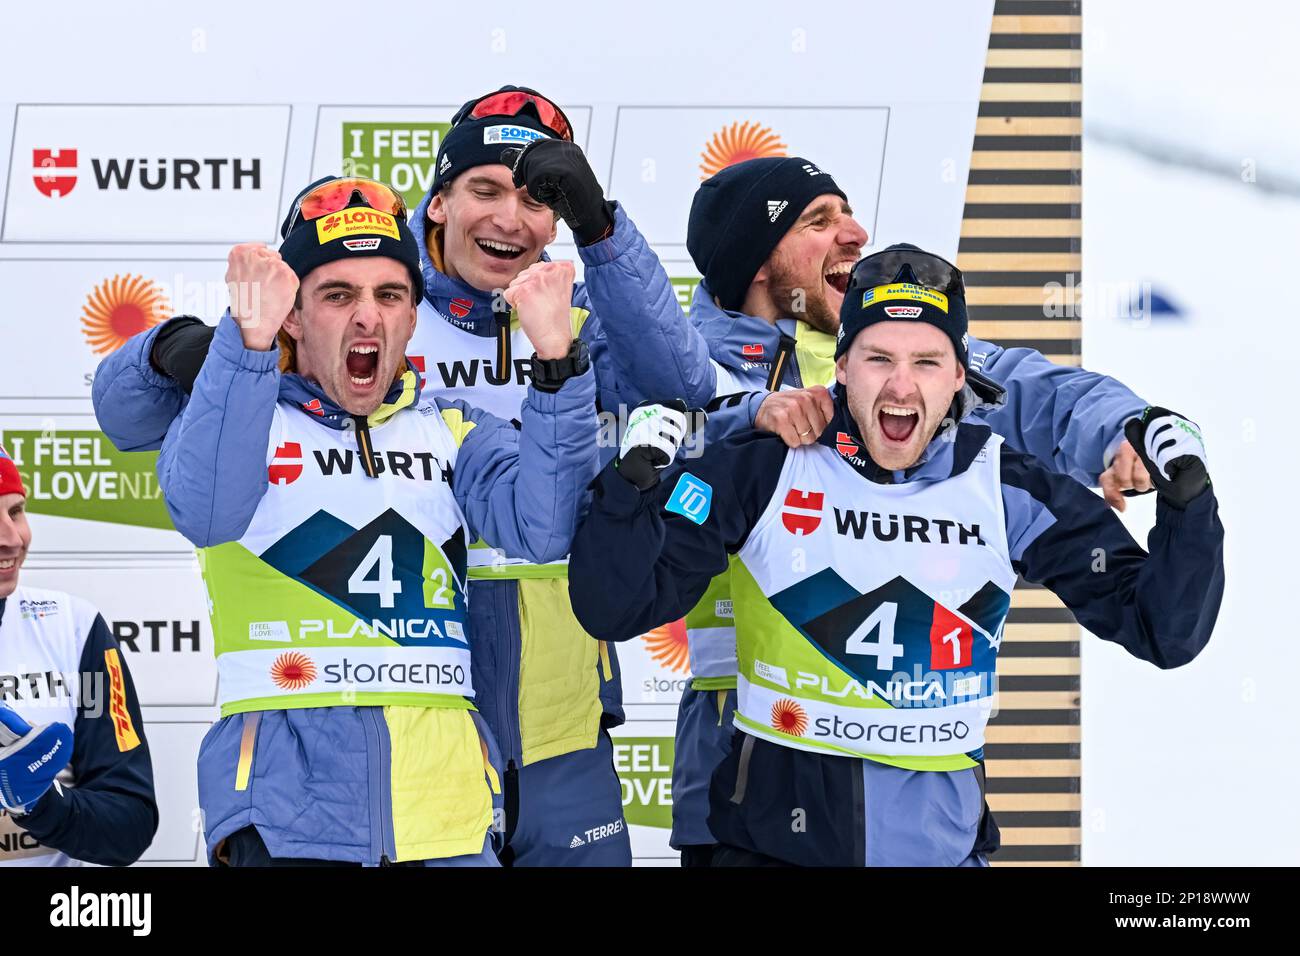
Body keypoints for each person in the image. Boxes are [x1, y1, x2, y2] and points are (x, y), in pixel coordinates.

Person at [92, 86, 762, 867]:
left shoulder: (574, 314)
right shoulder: (347, 291)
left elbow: (680, 387)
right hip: (393, 718)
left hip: (551, 710)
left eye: (538, 197)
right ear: (438, 202)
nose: (510, 219)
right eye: (486, 189)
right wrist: (175, 346)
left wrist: (601, 232)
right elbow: (134, 421)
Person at [568, 245, 1225, 866]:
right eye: (879, 359)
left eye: (927, 363)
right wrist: (633, 478)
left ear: (961, 376)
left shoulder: (1006, 488)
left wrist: (1188, 504)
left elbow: (1162, 628)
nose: (902, 387)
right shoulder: (767, 467)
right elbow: (616, 603)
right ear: (843, 367)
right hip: (769, 849)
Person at [666, 159, 1167, 864]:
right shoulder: (685, 371)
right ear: (757, 261)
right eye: (819, 222)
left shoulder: (885, 346)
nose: (856, 233)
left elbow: (1029, 387)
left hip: (905, 752)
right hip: (740, 744)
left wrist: (1121, 429)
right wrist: (743, 418)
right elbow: (634, 468)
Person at [159, 176, 597, 865]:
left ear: (412, 318)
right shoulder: (242, 414)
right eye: (339, 295)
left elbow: (542, 532)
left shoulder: (452, 425)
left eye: (390, 295)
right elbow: (207, 512)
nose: (369, 317)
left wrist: (555, 365)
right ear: (293, 317)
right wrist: (244, 340)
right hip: (289, 815)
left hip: (449, 814)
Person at [0, 445, 157, 866]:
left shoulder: (72, 627)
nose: (12, 540)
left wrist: (37, 801)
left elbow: (130, 823)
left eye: (15, 512)